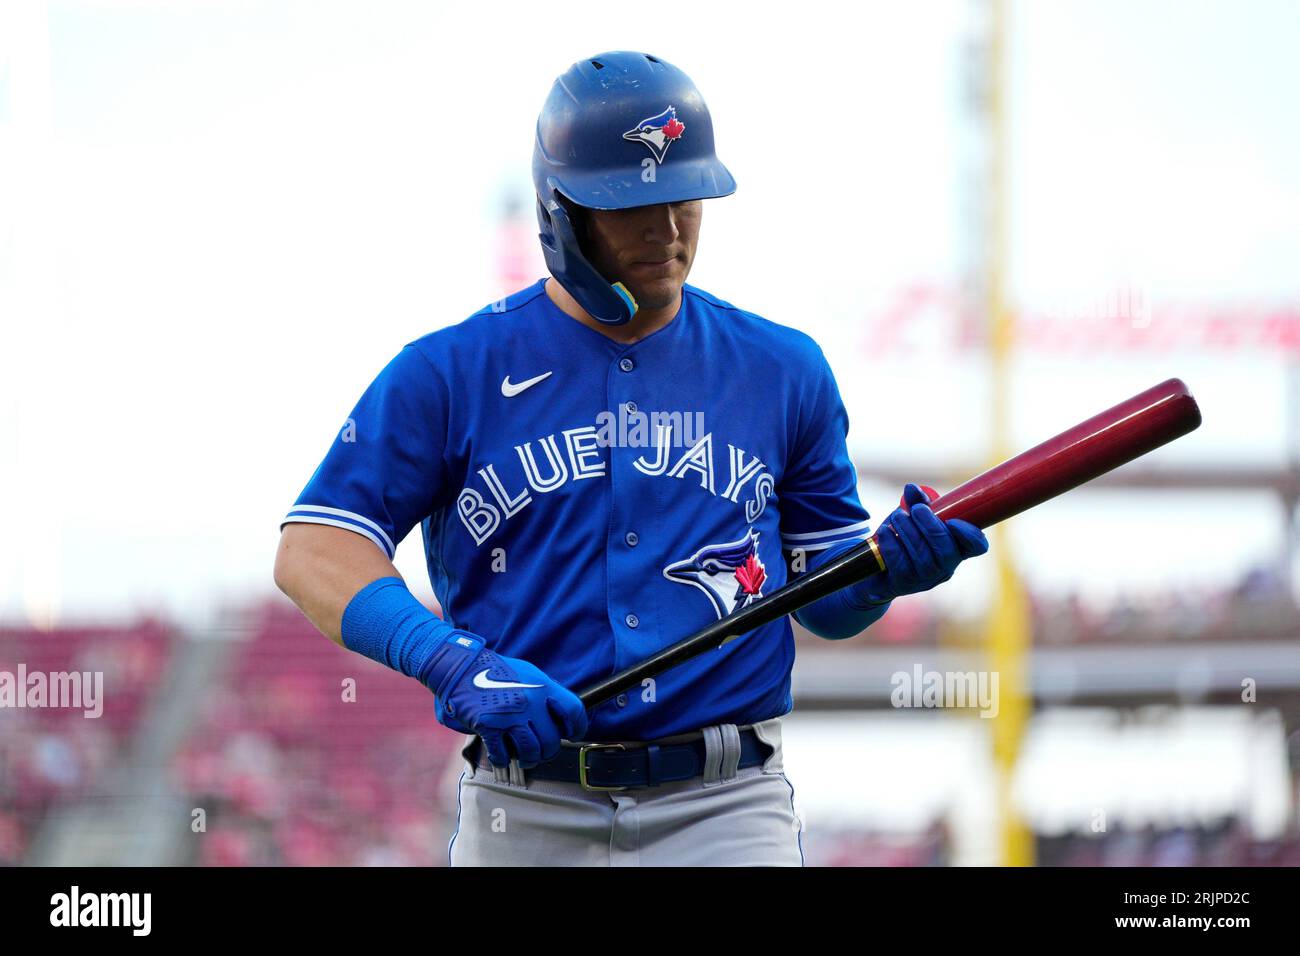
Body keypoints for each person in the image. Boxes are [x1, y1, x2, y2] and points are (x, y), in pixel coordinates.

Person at [273, 51, 989, 867]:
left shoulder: (784, 370)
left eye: (684, 197)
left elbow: (826, 600)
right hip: (525, 805)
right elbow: (313, 547)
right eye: (632, 204)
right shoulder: (448, 371)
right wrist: (446, 659)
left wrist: (882, 575)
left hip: (726, 807)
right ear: (561, 211)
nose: (667, 228)